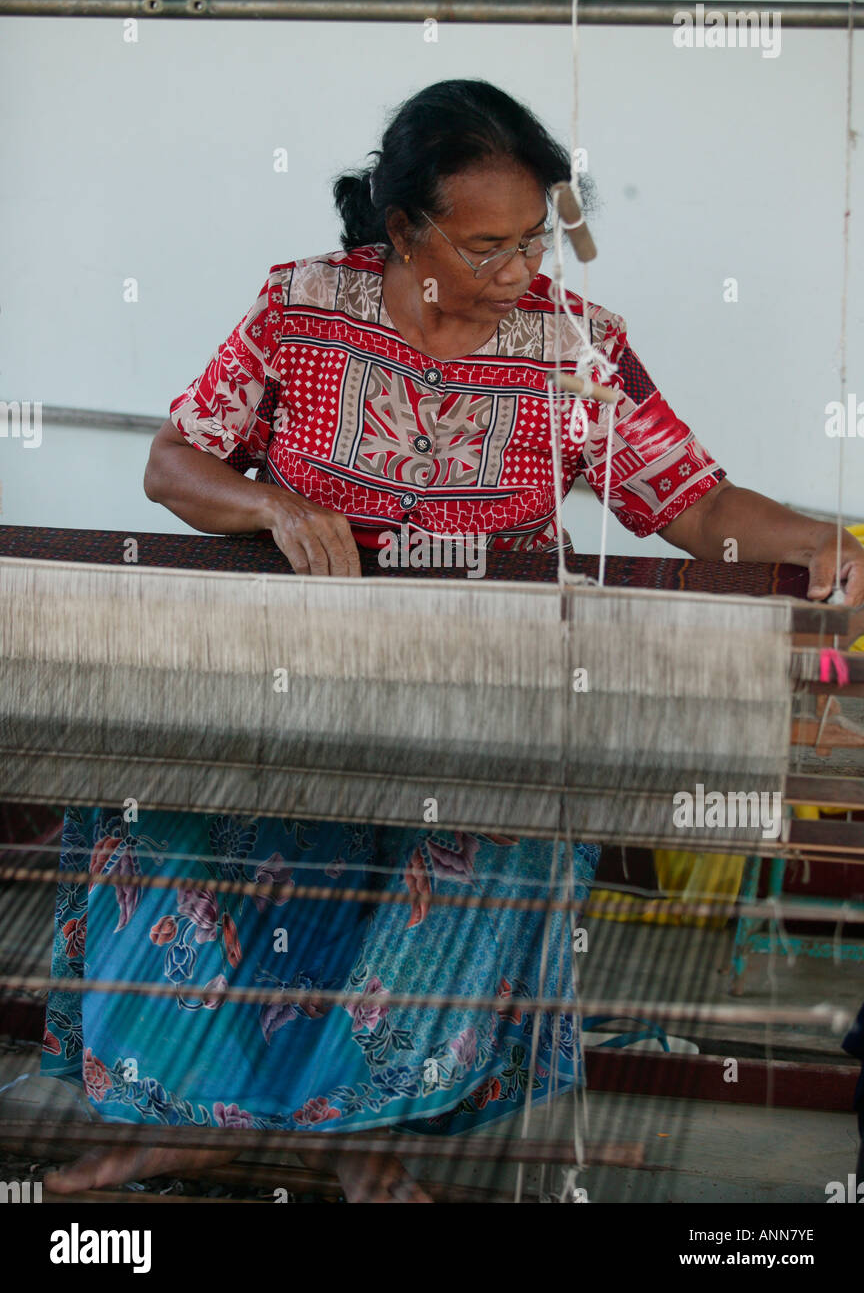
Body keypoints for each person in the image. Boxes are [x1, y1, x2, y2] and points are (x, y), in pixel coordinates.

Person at [42, 79, 864, 1203]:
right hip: (293, 675)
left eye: (532, 240)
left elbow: (699, 506)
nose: (518, 271)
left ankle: (361, 1133)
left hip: (475, 690)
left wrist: (831, 543)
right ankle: (175, 1123)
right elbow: (173, 461)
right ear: (402, 231)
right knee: (165, 807)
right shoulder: (301, 307)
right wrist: (271, 506)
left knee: (495, 844)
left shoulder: (573, 348)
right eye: (485, 246)